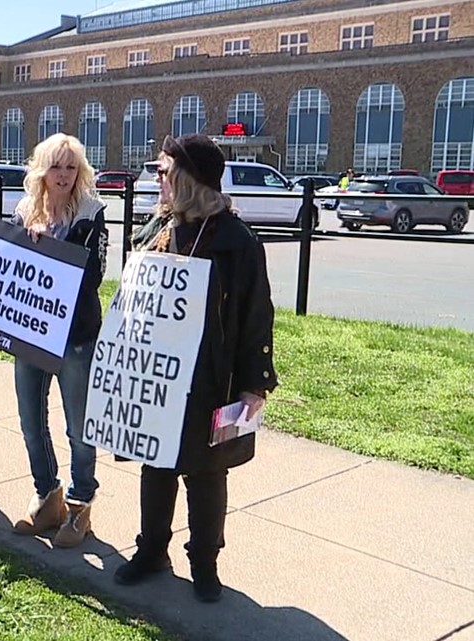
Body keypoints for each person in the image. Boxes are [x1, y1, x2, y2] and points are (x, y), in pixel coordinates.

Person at [112, 134, 277, 603]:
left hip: (212, 377)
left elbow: (255, 315)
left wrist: (254, 384)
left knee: (207, 474)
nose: (157, 179)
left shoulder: (236, 240)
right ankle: (151, 551)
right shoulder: (157, 229)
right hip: (158, 376)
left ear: (188, 179)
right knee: (156, 465)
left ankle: (205, 563)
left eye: (164, 172)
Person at [10, 133, 108, 547]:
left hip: (76, 335)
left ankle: (80, 505)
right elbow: (8, 266)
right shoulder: (23, 209)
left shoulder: (92, 212)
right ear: (41, 170)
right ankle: (47, 495)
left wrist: (52, 247)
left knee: (77, 426)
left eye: (71, 167)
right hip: (30, 332)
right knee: (31, 421)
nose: (64, 175)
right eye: (56, 166)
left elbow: (94, 275)